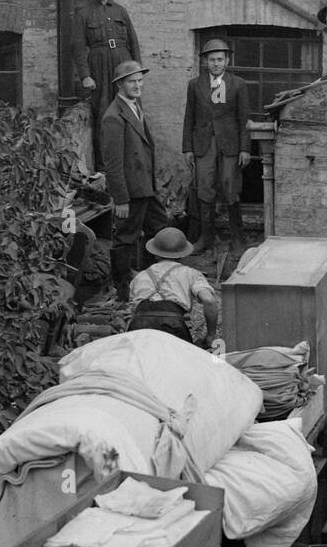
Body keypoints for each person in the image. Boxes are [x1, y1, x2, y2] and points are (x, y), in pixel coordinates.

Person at [101, 60, 169, 301]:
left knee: (161, 229)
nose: (138, 85)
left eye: (140, 81)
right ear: (120, 84)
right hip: (131, 192)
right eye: (132, 81)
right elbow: (113, 163)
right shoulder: (113, 116)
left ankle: (150, 280)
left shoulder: (134, 106)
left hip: (146, 188)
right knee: (125, 238)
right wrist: (120, 199)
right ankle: (121, 291)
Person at [182, 38, 251, 253]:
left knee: (230, 186)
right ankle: (206, 238)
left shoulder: (238, 84)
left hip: (230, 144)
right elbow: (189, 117)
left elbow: (244, 119)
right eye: (212, 60)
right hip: (204, 144)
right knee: (204, 187)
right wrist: (188, 148)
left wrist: (245, 148)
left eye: (220, 59)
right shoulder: (195, 85)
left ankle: (237, 238)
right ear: (205, 62)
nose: (216, 63)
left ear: (227, 60)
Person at [72, 0, 141, 168]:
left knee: (130, 107)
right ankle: (106, 165)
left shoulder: (120, 11)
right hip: (99, 64)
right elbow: (77, 47)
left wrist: (136, 70)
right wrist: (85, 75)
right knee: (104, 111)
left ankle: (133, 159)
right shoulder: (84, 14)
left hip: (123, 61)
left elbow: (133, 42)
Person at [127, 227, 220, 346]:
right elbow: (209, 301)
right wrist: (211, 335)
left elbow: (132, 310)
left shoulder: (140, 276)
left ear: (155, 254)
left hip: (139, 327)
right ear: (182, 254)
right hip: (173, 326)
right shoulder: (191, 274)